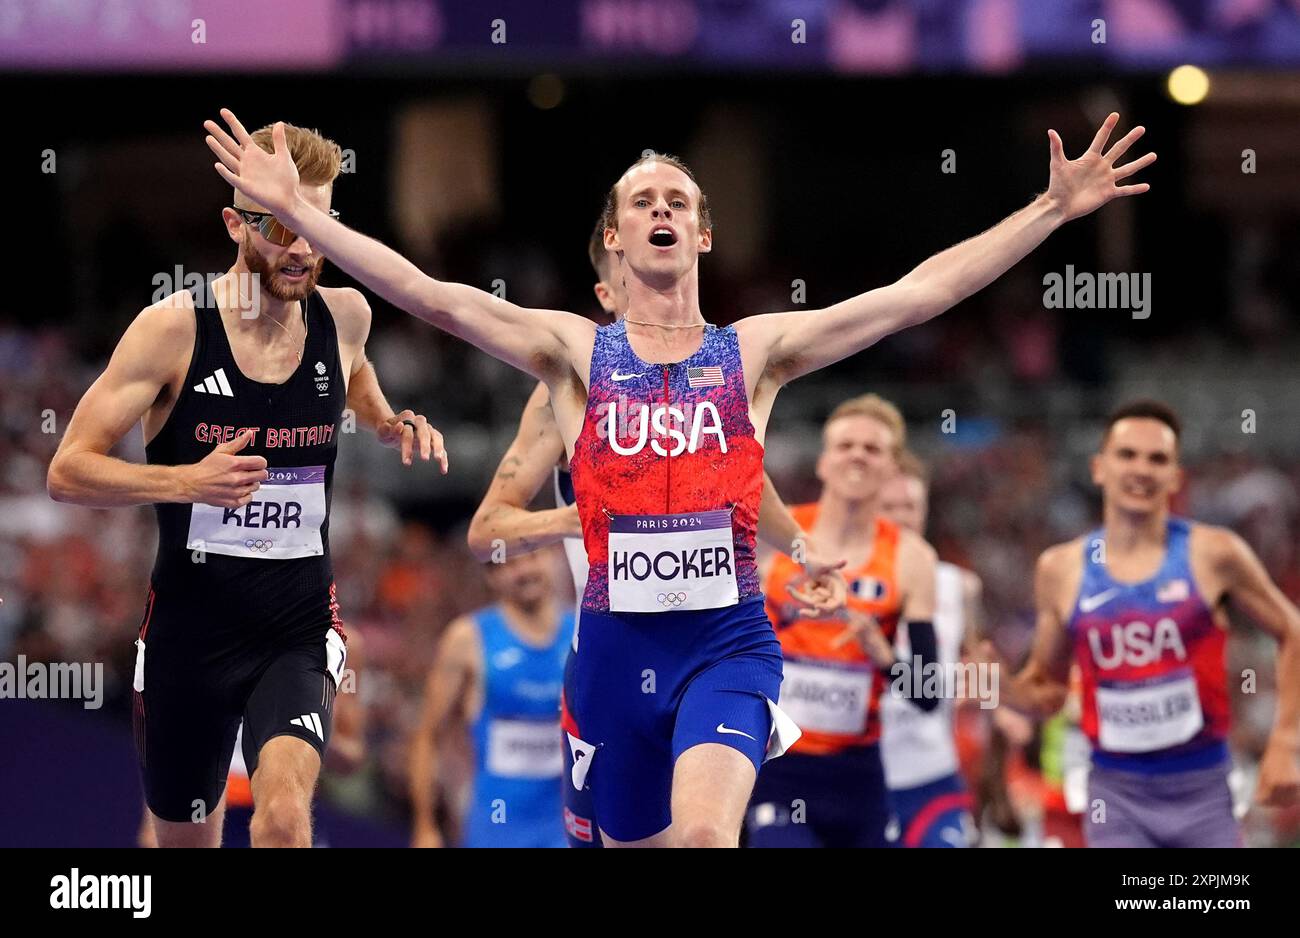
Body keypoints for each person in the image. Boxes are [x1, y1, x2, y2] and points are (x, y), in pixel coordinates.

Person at [206, 106, 1155, 846]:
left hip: (728, 644)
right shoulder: (572, 351)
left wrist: (1052, 210)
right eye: (640, 203)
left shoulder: (755, 353)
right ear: (613, 242)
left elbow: (917, 296)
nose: (660, 211)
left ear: (702, 236)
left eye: (679, 203)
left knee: (707, 831)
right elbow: (425, 293)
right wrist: (291, 211)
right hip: (614, 655)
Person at [49, 122, 444, 848]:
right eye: (277, 225)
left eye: (313, 223)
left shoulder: (345, 315)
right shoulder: (172, 328)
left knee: (285, 819)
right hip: (187, 636)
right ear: (234, 223)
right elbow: (67, 470)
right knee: (181, 839)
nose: (299, 247)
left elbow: (355, 377)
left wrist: (388, 422)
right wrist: (183, 480)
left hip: (297, 628)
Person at [466, 221, 846, 847]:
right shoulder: (567, 390)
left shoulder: (715, 386)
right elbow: (487, 532)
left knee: (704, 830)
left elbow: (751, 491)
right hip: (611, 652)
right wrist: (587, 520)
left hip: (714, 640)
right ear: (606, 291)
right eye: (620, 279)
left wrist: (805, 553)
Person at [1006, 400, 1300, 847]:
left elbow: (1291, 629)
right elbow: (1047, 689)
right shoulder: (1060, 569)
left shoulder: (1213, 553)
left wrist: (1287, 742)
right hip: (1115, 793)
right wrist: (999, 686)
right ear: (1099, 468)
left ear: (1176, 476)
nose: (1141, 469)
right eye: (1127, 455)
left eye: (1157, 458)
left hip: (1204, 788)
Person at [747, 395, 939, 847]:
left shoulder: (912, 559)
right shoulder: (773, 534)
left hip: (857, 776)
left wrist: (884, 656)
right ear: (823, 462)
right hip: (776, 766)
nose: (857, 455)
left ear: (892, 469)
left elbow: (928, 694)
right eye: (845, 445)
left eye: (872, 449)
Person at [409, 550, 574, 848]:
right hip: (496, 829)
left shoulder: (582, 633)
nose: (523, 570)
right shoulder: (467, 638)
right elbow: (427, 735)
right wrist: (425, 827)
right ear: (491, 576)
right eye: (508, 564)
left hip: (567, 829)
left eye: (532, 557)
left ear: (552, 558)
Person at [877, 450, 979, 847]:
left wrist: (989, 693)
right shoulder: (839, 584)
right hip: (864, 775)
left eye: (911, 506)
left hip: (932, 773)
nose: (902, 517)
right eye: (890, 506)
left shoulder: (960, 586)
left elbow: (975, 662)